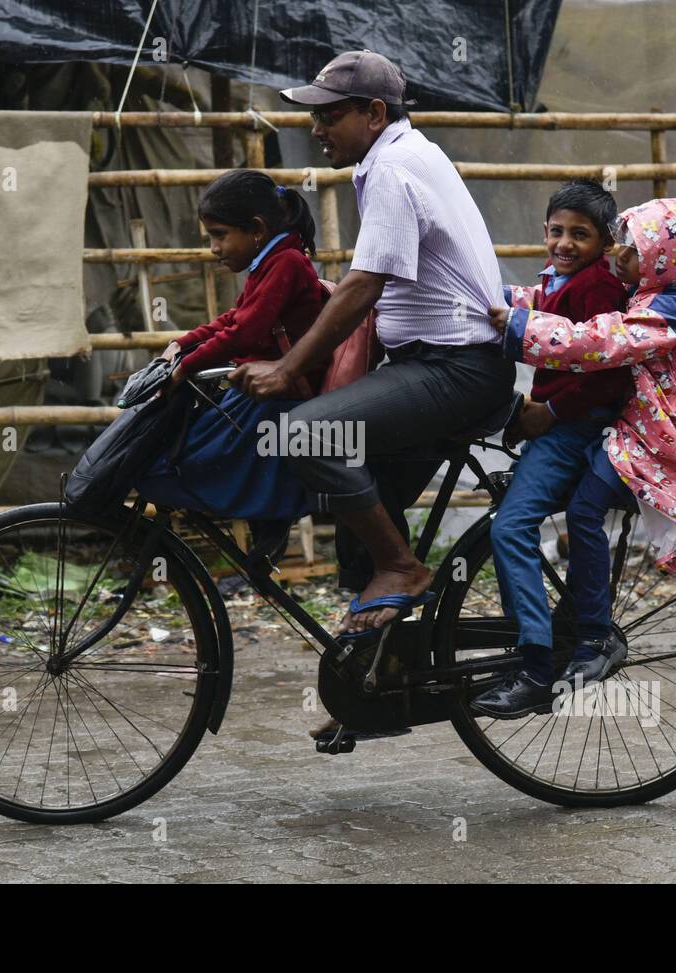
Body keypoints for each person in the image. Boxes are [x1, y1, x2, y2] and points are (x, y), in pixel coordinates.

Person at [233, 49, 517, 639]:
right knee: (362, 515)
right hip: (446, 364)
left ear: (375, 113)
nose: (316, 130)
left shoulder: (392, 167)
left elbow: (365, 285)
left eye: (329, 117)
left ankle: (401, 568)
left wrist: (289, 366)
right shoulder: (405, 156)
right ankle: (372, 670)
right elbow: (375, 283)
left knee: (308, 432)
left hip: (454, 368)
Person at [476, 197, 676, 716]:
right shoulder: (648, 291)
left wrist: (517, 327)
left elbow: (601, 341)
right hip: (646, 435)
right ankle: (572, 628)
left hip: (669, 451)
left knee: (583, 510)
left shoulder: (670, 307)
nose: (621, 254)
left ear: (662, 259)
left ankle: (593, 638)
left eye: (634, 248)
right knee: (574, 509)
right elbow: (557, 301)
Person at [469, 180, 631, 719]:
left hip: (573, 429)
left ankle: (535, 663)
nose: (564, 243)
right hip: (562, 422)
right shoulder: (561, 279)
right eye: (557, 231)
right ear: (544, 232)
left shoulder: (596, 287)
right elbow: (540, 315)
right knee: (519, 520)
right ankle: (547, 636)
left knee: (511, 528)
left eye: (580, 235)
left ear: (606, 243)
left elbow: (607, 375)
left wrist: (551, 413)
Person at [135, 169, 326, 549]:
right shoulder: (270, 260)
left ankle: (268, 523)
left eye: (220, 235)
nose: (214, 248)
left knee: (196, 457)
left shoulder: (286, 263)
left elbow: (245, 332)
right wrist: (182, 344)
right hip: (258, 389)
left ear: (256, 229)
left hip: (278, 395)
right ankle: (264, 527)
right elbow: (234, 319)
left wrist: (186, 367)